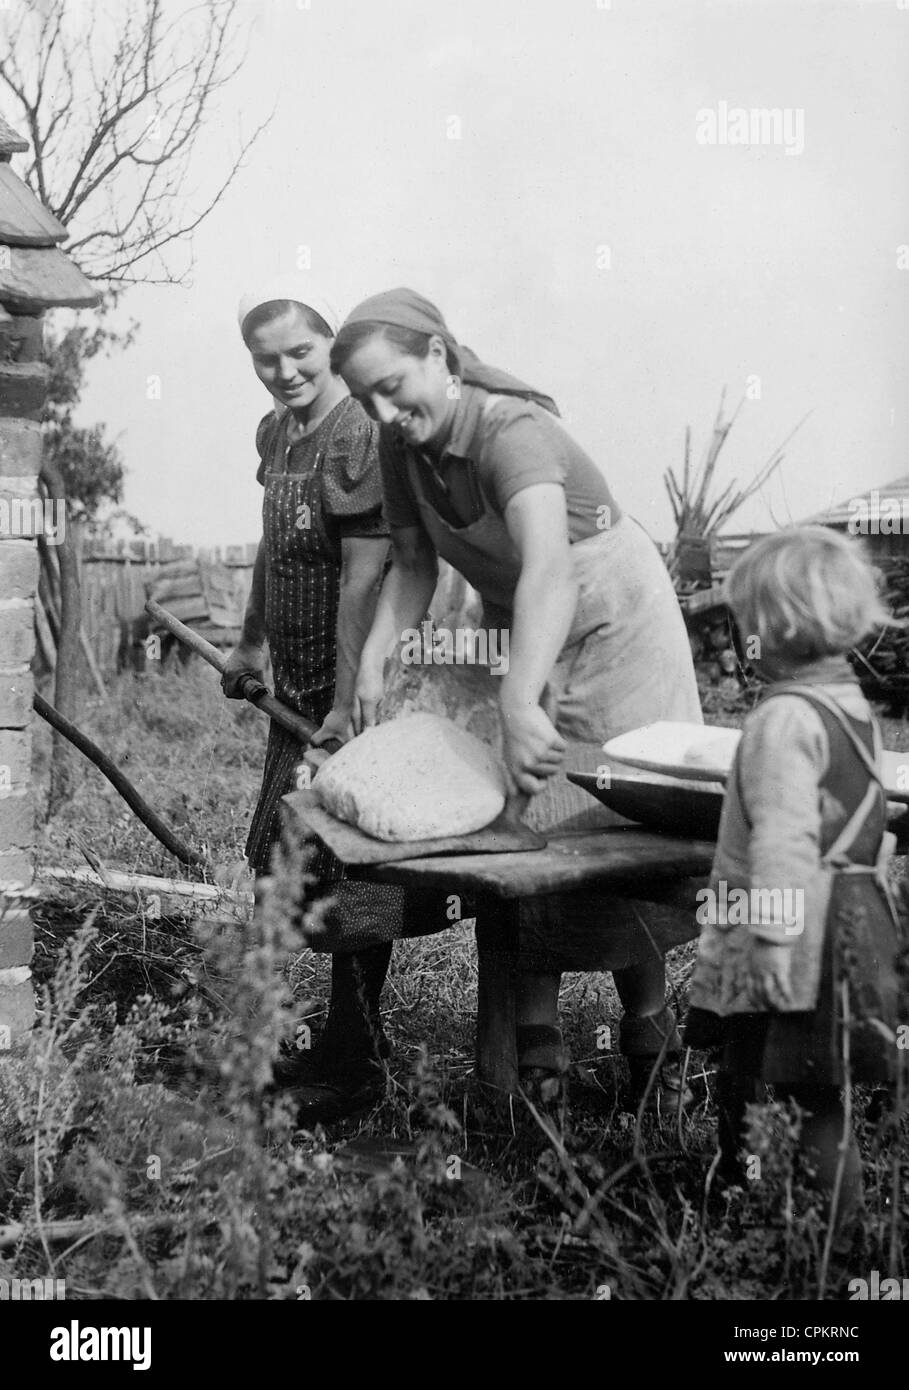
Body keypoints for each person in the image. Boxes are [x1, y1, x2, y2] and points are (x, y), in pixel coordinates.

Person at [330, 287, 704, 1110]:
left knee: (615, 818)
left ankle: (649, 1040)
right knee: (525, 816)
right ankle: (533, 1053)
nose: (383, 411)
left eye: (393, 385)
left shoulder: (511, 431)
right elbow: (415, 567)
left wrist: (519, 697)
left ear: (441, 356)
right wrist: (372, 662)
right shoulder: (403, 448)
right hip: (520, 618)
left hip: (610, 615)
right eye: (364, 399)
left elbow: (551, 568)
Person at [686, 527, 906, 1229]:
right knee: (820, 1092)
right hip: (853, 922)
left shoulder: (781, 719)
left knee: (763, 1082)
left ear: (775, 627)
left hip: (796, 938)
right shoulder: (850, 709)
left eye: (750, 619)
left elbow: (782, 842)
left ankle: (786, 1228)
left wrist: (772, 946)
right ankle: (816, 1228)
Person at [223, 277, 406, 1122]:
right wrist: (248, 640)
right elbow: (273, 546)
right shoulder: (276, 432)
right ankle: (286, 1045)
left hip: (354, 694)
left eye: (300, 353)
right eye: (267, 361)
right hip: (291, 688)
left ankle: (356, 1060)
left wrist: (342, 706)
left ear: (329, 346)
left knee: (349, 878)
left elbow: (365, 576)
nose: (286, 372)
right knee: (278, 861)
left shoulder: (357, 434)